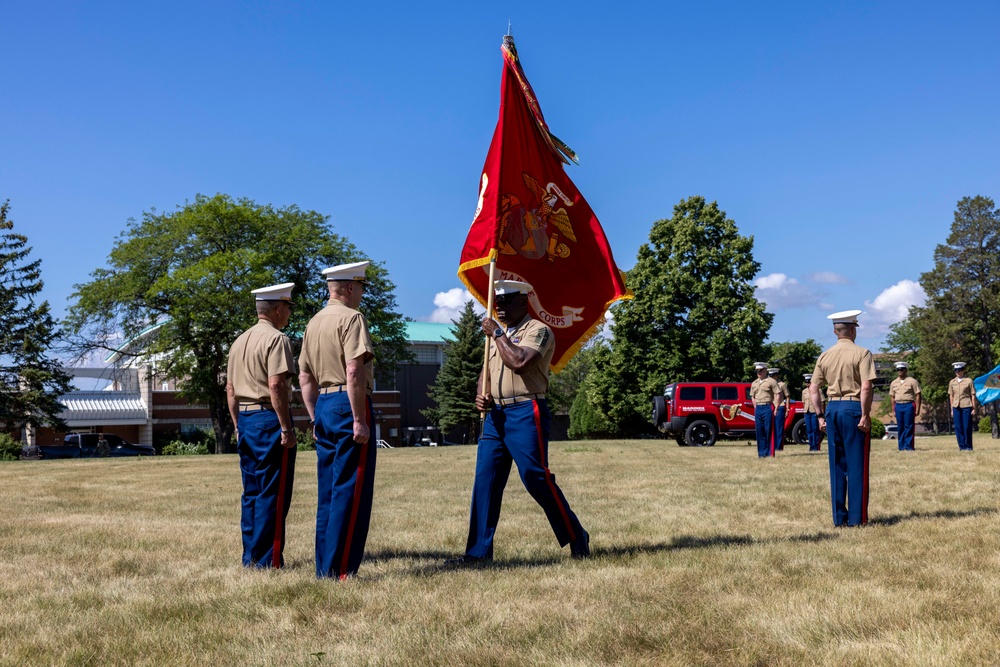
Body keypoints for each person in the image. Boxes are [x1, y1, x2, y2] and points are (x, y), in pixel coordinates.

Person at [445, 280, 590, 566]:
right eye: (496, 302)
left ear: (523, 302)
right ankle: (477, 553)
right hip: (495, 417)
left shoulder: (537, 331)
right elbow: (485, 370)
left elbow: (519, 361)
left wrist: (497, 333)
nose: (498, 306)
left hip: (526, 411)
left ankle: (576, 535)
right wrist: (480, 395)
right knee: (485, 482)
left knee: (536, 478)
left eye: (506, 301)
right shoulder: (496, 336)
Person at [299, 261, 377, 580]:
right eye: (360, 287)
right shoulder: (353, 318)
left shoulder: (313, 323)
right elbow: (355, 370)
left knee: (328, 493)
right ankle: (341, 570)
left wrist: (315, 417)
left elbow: (304, 377)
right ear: (348, 288)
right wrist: (359, 418)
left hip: (325, 406)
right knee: (350, 489)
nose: (360, 293)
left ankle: (324, 568)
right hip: (348, 403)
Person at [226, 282, 298, 568]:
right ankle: (268, 560)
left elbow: (230, 390)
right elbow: (276, 385)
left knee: (252, 492)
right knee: (274, 492)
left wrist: (236, 425)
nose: (289, 313)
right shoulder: (277, 339)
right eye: (288, 308)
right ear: (278, 309)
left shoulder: (238, 342)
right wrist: (286, 428)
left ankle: (250, 556)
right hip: (269, 418)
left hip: (245, 419)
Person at [809, 309, 876, 528]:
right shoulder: (862, 353)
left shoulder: (825, 355)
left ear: (835, 331)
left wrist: (820, 416)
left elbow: (813, 388)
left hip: (832, 408)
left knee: (837, 465)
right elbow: (866, 386)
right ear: (853, 330)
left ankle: (839, 518)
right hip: (853, 407)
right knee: (857, 465)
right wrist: (865, 415)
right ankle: (857, 519)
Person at [750, 362, 782, 458]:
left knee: (769, 430)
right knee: (760, 431)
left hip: (768, 406)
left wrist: (776, 407)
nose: (758, 372)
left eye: (760, 370)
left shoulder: (771, 381)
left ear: (765, 370)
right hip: (758, 408)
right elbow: (753, 396)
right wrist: (755, 406)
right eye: (757, 371)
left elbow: (778, 394)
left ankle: (770, 453)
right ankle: (761, 453)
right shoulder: (754, 383)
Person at [889, 361, 921, 452]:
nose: (900, 371)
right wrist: (893, 409)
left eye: (901, 369)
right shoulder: (894, 382)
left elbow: (918, 394)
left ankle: (909, 446)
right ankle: (901, 446)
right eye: (898, 369)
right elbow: (892, 397)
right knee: (900, 426)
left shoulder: (912, 381)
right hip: (898, 405)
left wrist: (918, 408)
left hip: (908, 404)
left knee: (909, 426)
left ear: (906, 370)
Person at [948, 362, 978, 451]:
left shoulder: (969, 381)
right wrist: (951, 409)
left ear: (963, 370)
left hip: (966, 405)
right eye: (956, 370)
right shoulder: (952, 382)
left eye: (959, 370)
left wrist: (974, 408)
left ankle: (968, 446)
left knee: (967, 426)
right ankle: (961, 446)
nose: (957, 372)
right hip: (956, 406)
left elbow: (973, 394)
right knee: (958, 427)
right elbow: (951, 396)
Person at [769, 368, 789, 451]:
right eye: (770, 375)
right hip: (770, 406)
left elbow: (787, 396)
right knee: (771, 428)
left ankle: (779, 446)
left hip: (780, 407)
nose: (772, 377)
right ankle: (772, 445)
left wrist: (787, 409)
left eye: (773, 375)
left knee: (779, 428)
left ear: (777, 376)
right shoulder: (768, 384)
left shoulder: (782, 385)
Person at [802, 373, 822, 452]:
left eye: (809, 382)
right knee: (809, 430)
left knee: (815, 430)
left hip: (814, 411)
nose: (807, 383)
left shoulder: (818, 390)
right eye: (806, 382)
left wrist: (821, 413)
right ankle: (811, 446)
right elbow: (803, 402)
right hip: (807, 411)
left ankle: (816, 446)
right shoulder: (804, 391)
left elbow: (822, 401)